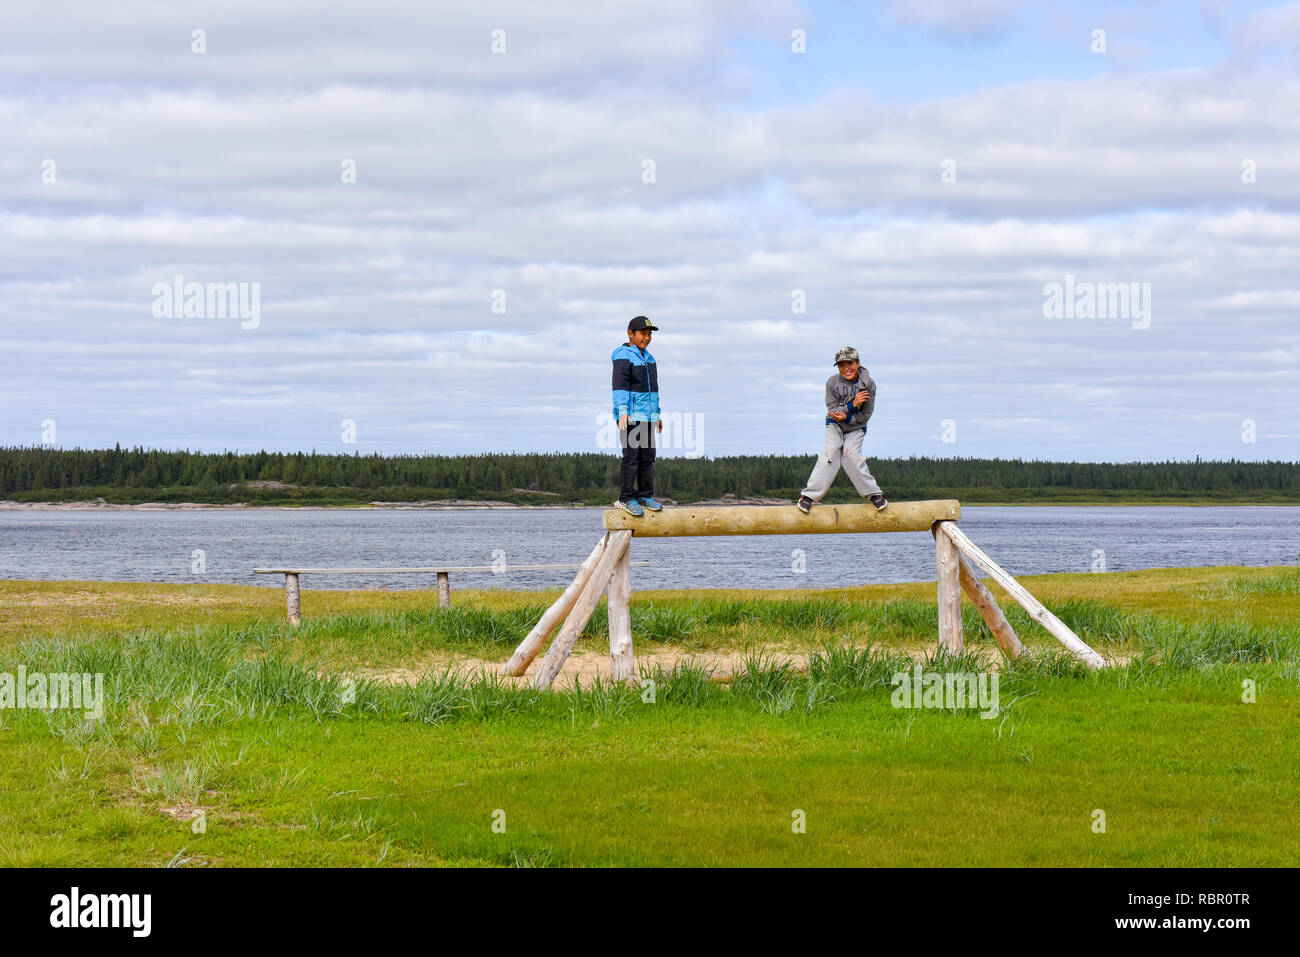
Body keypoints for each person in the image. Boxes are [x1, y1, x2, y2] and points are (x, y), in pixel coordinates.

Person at [796, 346, 888, 513]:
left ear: (858, 363)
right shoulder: (832, 382)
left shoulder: (869, 385)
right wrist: (853, 405)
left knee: (850, 456)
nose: (846, 369)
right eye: (841, 365)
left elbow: (866, 415)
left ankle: (874, 494)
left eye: (849, 363)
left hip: (856, 427)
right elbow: (833, 410)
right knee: (831, 453)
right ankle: (808, 497)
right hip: (834, 424)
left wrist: (848, 416)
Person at [611, 316, 663, 516]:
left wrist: (657, 414)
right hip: (630, 416)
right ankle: (625, 498)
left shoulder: (650, 358)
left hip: (648, 416)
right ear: (630, 334)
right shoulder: (623, 355)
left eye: (649, 334)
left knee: (648, 457)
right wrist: (621, 411)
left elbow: (654, 390)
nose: (647, 338)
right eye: (643, 334)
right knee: (631, 458)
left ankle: (644, 495)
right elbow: (619, 385)